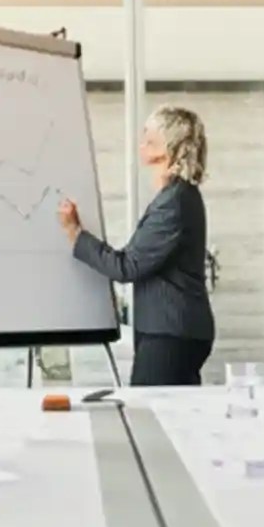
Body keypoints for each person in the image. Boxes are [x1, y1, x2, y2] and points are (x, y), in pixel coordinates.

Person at [58, 105, 215, 386]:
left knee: (153, 416)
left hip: (170, 333)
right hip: (173, 331)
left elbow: (127, 267)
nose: (141, 142)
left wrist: (76, 233)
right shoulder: (177, 196)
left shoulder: (175, 202)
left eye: (149, 137)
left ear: (167, 148)